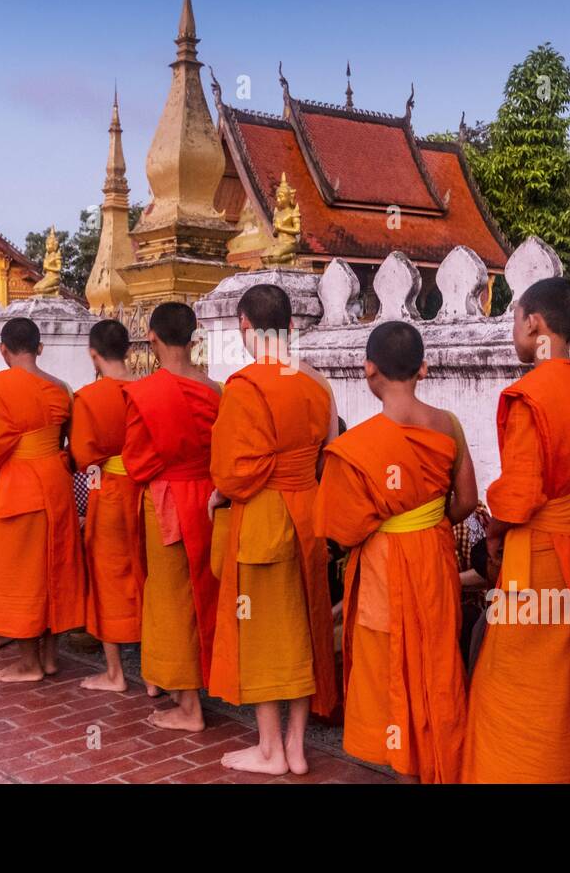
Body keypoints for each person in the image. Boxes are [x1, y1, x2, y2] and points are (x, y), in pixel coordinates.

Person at [461, 277, 570, 783]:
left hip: (539, 560)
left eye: (513, 319)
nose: (513, 330)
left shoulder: (530, 395)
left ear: (534, 323)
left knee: (513, 684)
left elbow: (521, 494)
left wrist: (492, 531)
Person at [314, 321, 477, 783]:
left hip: (386, 564)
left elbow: (342, 531)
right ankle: (438, 762)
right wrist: (427, 520)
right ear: (422, 368)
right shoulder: (449, 425)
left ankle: (405, 768)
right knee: (436, 659)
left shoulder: (356, 447)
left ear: (369, 370)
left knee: (391, 664)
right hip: (434, 555)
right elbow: (466, 501)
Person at [207, 284, 339, 775]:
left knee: (264, 632)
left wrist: (223, 491)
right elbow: (329, 451)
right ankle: (297, 748)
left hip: (264, 518)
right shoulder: (316, 382)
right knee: (304, 629)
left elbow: (231, 472)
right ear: (289, 325)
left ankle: (268, 750)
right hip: (307, 512)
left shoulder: (244, 386)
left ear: (245, 325)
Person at [121, 302, 221, 731]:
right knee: (203, 594)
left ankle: (189, 707)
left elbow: (137, 463)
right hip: (208, 499)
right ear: (194, 337)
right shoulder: (217, 389)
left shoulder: (148, 394)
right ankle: (203, 684)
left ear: (152, 339)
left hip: (165, 502)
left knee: (171, 599)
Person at [0, 317, 84, 681]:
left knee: (21, 572)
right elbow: (71, 442)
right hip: (56, 483)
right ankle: (50, 658)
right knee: (54, 567)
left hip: (20, 485)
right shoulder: (62, 388)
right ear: (40, 347)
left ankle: (29, 663)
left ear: (3, 351)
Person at [70, 320, 145, 691]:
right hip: (146, 491)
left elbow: (85, 458)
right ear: (129, 350)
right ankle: (155, 677)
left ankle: (115, 673)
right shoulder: (148, 390)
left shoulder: (89, 398)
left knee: (109, 578)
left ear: (93, 354)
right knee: (147, 575)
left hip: (111, 491)